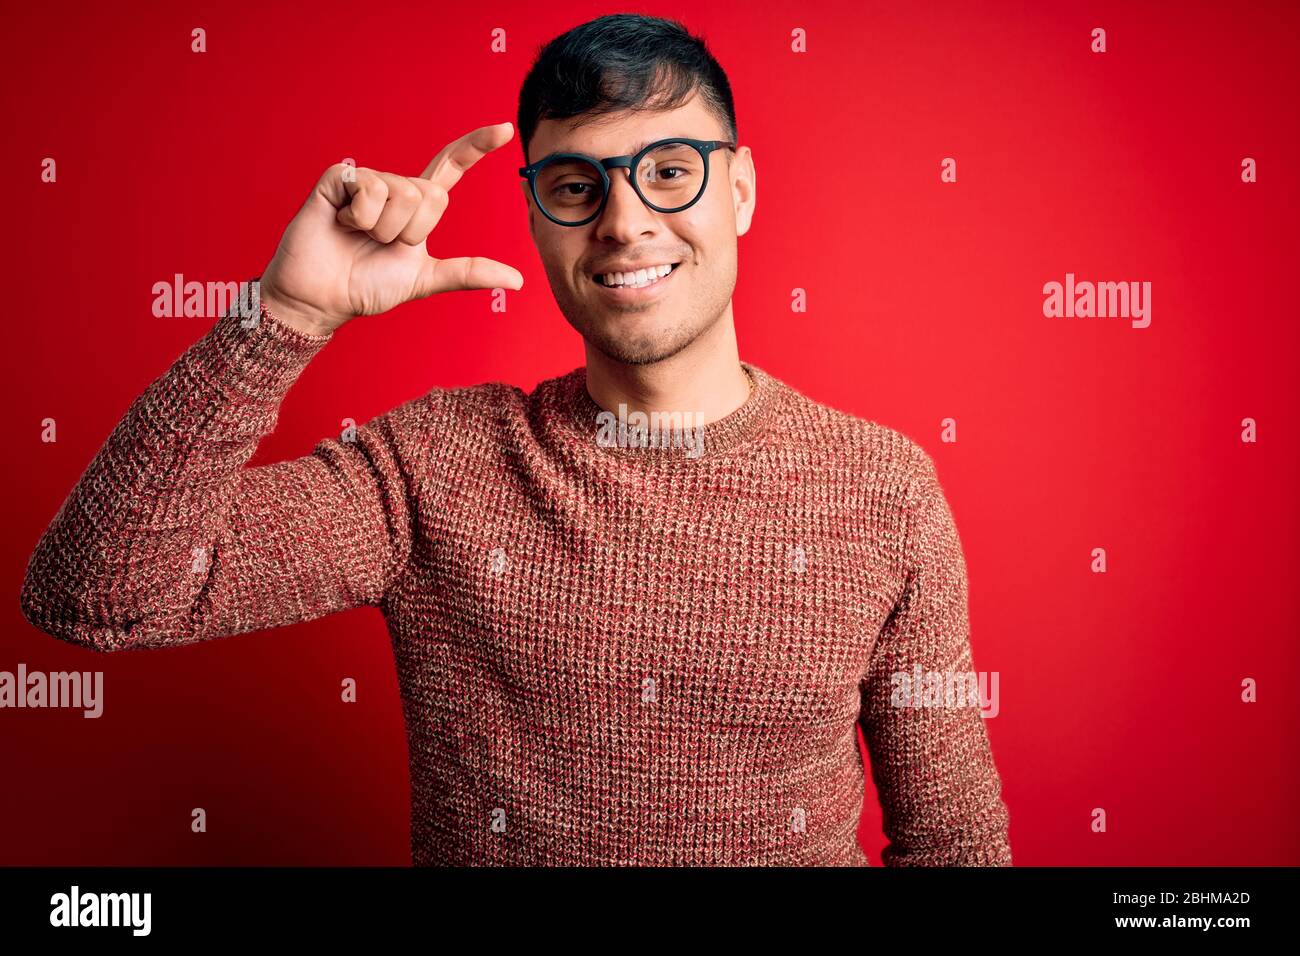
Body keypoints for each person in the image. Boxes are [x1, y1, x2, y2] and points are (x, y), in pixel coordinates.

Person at [19, 12, 1011, 866]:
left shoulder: (884, 486)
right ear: (538, 218)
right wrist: (283, 315)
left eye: (670, 170)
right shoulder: (434, 466)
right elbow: (100, 596)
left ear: (740, 189)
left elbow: (955, 842)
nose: (625, 222)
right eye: (578, 185)